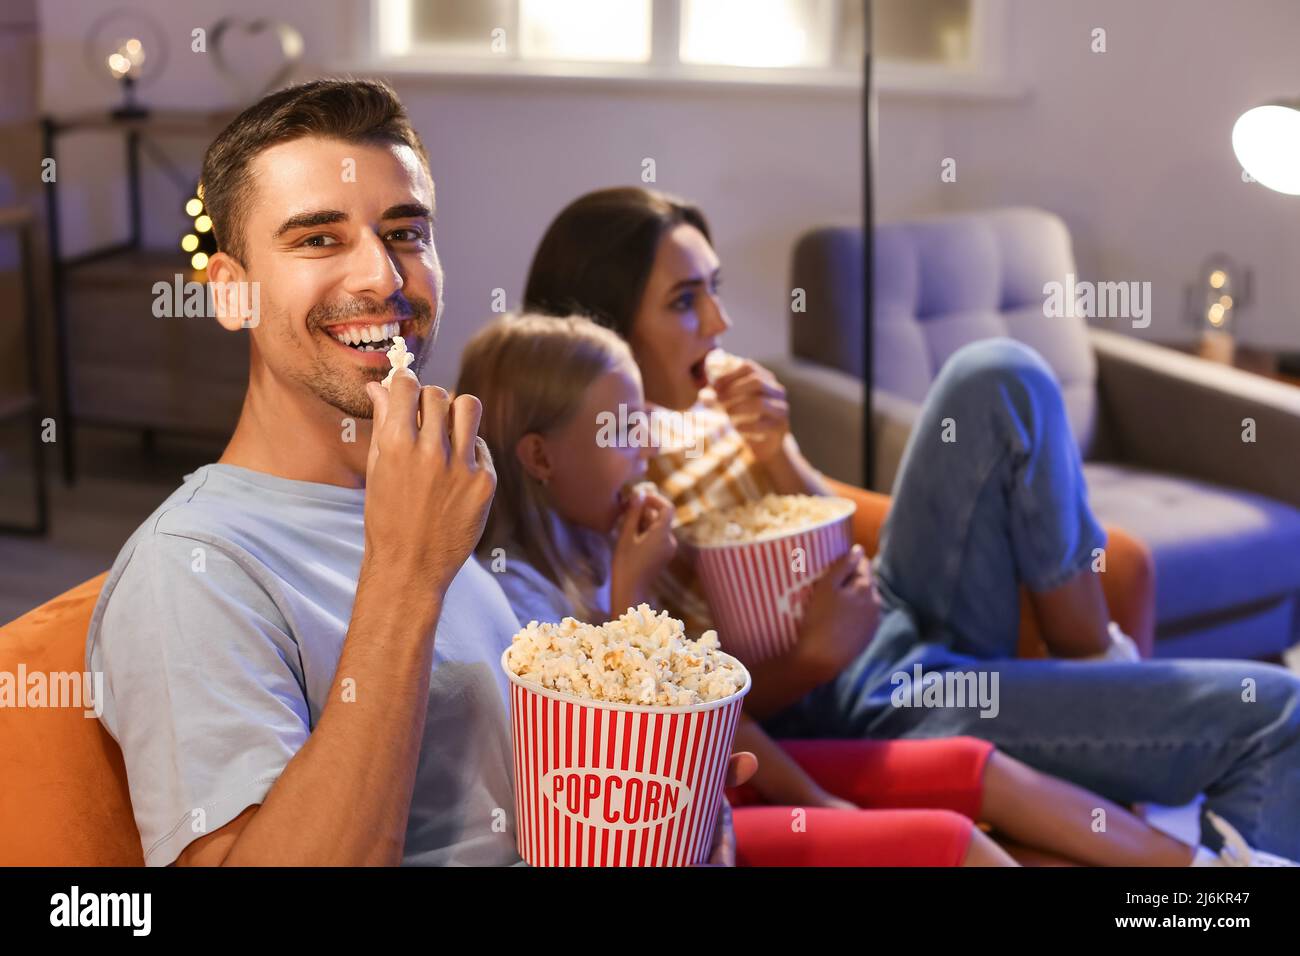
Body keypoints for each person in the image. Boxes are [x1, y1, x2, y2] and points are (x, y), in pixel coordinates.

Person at [520, 185, 1300, 865]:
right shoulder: (601, 480)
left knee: (997, 374)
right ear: (603, 331)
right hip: (857, 700)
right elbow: (681, 714)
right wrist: (816, 656)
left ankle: (1098, 667)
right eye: (685, 301)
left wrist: (780, 452)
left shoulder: (710, 407)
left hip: (893, 616)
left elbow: (822, 519)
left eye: (714, 289)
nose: (720, 322)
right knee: (1276, 712)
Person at [84, 79, 754, 868]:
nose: (383, 278)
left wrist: (651, 796)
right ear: (231, 293)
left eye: (404, 232)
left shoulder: (421, 492)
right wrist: (406, 572)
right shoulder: (191, 568)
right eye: (318, 240)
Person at [457, 311, 1235, 867]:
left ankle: (1199, 869)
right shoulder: (523, 596)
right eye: (621, 432)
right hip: (682, 818)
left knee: (976, 763)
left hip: (762, 758)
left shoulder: (611, 544)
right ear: (541, 457)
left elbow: (735, 731)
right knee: (951, 837)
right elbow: (641, 756)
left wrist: (814, 791)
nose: (645, 453)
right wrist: (632, 603)